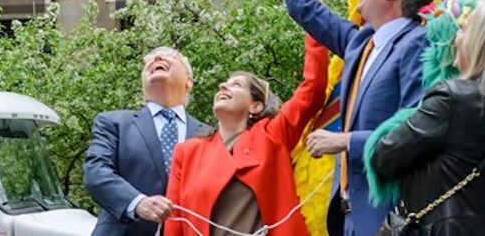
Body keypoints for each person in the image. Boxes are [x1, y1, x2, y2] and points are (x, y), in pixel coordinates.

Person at [274, 0, 438, 236]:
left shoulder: (419, 43)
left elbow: (419, 127)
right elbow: (304, 6)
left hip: (392, 218)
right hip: (347, 216)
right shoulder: (359, 43)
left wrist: (346, 141)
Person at [369, 0, 485, 236]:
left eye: (463, 29)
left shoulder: (451, 99)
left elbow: (384, 158)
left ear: (479, 44)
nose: (456, 38)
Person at [163, 34, 328, 236]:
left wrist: (311, 25)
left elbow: (313, 88)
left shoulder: (272, 135)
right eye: (223, 84)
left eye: (236, 85)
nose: (223, 86)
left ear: (256, 106)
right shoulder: (187, 153)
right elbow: (174, 221)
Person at [85, 47, 210, 234]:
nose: (158, 57)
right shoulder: (114, 123)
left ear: (188, 81)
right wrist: (137, 202)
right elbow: (96, 172)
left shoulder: (209, 135)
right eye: (150, 58)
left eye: (169, 55)